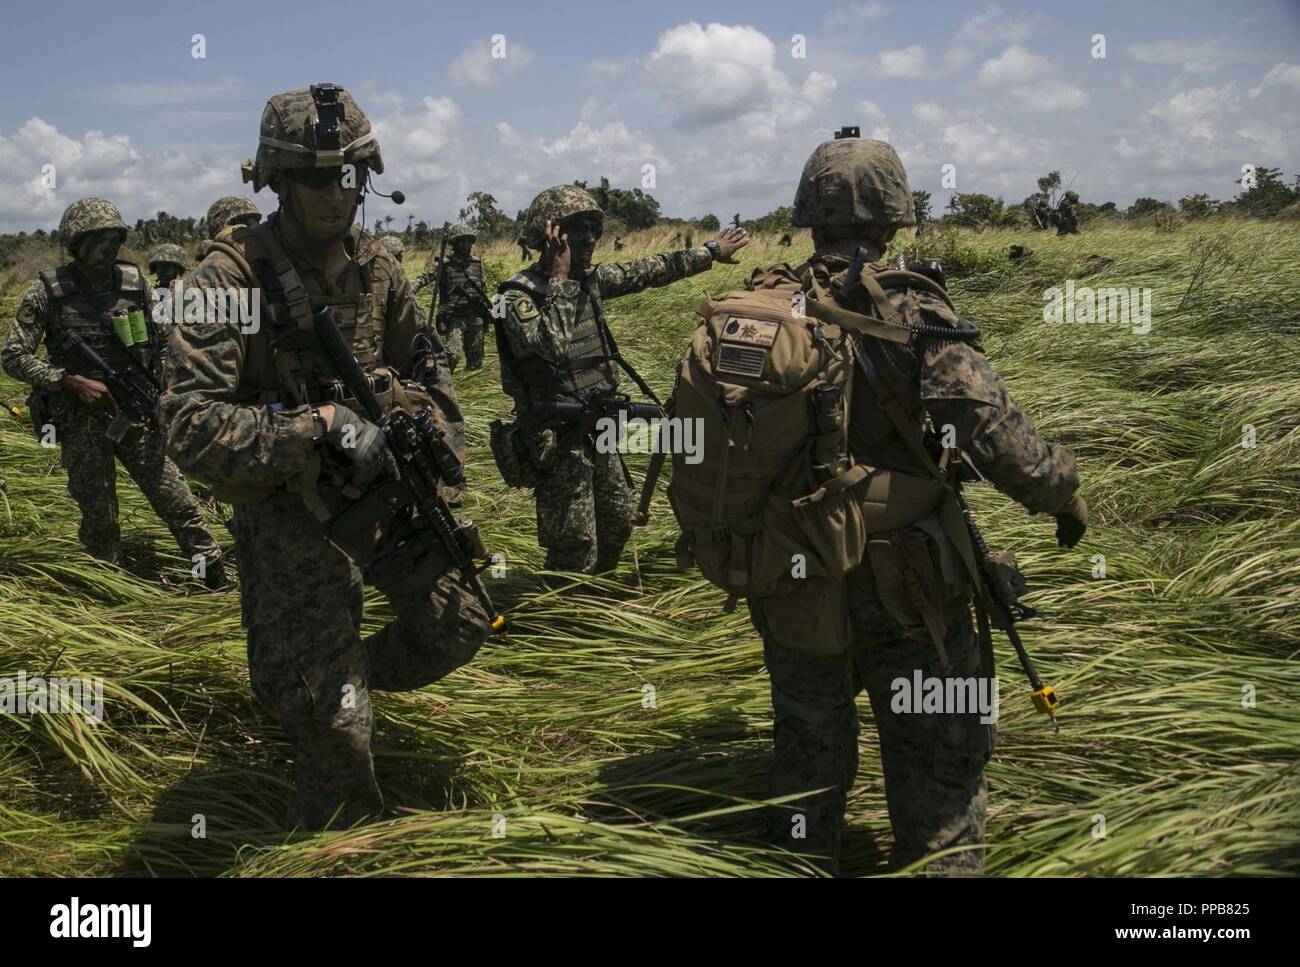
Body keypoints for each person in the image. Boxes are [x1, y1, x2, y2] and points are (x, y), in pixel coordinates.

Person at [681, 133, 1087, 875]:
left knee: (805, 765)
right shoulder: (909, 306)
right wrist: (1066, 490)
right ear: (894, 218)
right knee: (940, 776)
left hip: (794, 574)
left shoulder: (770, 304)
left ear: (810, 216)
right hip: (909, 590)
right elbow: (1002, 445)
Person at [160, 84, 490, 828]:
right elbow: (186, 425)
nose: (335, 194)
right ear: (277, 179)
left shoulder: (378, 269)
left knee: (461, 622)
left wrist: (428, 426)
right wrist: (316, 426)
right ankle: (343, 833)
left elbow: (432, 365)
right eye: (314, 177)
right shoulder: (225, 281)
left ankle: (319, 684)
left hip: (381, 495)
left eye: (347, 175)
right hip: (286, 515)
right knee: (338, 729)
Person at [494, 184, 747, 574]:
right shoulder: (515, 296)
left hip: (600, 429)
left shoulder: (589, 280)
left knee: (616, 523)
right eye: (579, 230)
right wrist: (560, 278)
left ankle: (601, 600)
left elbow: (651, 269)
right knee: (575, 547)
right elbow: (553, 347)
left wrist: (710, 252)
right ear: (551, 235)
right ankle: (566, 618)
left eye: (595, 229)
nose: (592, 239)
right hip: (558, 442)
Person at [2, 198, 225, 586]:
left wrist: (161, 396)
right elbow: (12, 355)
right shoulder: (47, 292)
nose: (109, 248)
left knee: (178, 503)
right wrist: (65, 380)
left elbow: (161, 343)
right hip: (83, 422)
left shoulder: (135, 284)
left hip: (137, 414)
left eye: (114, 239)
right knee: (99, 517)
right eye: (98, 239)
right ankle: (109, 589)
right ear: (75, 241)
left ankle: (212, 577)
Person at [414, 224, 491, 372]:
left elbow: (483, 287)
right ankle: (442, 382)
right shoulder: (445, 263)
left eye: (468, 241)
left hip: (475, 316)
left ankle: (469, 386)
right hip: (455, 317)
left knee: (476, 357)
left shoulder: (477, 263)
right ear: (455, 244)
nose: (466, 245)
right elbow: (425, 277)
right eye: (462, 241)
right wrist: (412, 290)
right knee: (453, 355)